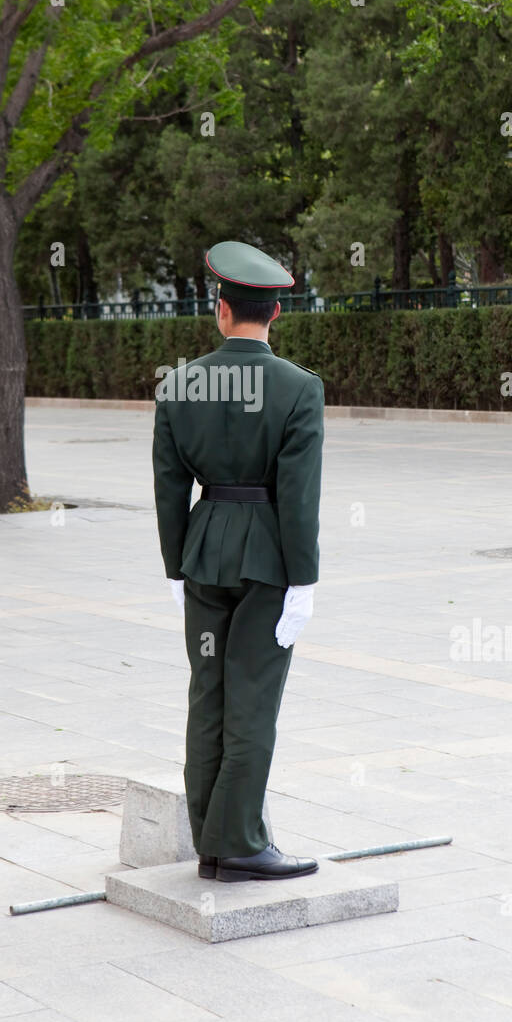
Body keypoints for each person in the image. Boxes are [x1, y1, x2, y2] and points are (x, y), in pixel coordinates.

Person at [152, 240, 324, 881]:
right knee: (252, 698)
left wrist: (175, 567)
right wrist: (302, 582)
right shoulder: (299, 390)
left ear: (222, 311)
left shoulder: (179, 385)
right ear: (272, 315)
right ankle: (241, 845)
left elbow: (169, 488)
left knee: (209, 695)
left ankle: (211, 843)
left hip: (203, 555)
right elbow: (299, 499)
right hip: (268, 563)